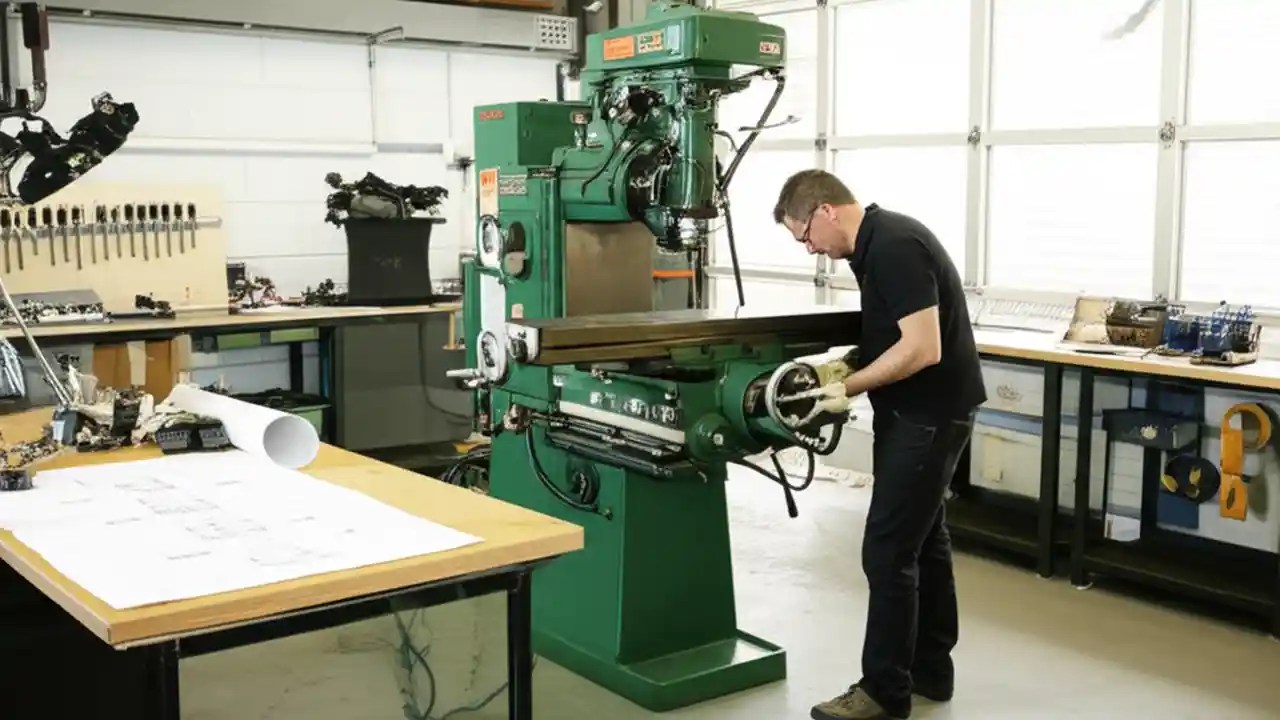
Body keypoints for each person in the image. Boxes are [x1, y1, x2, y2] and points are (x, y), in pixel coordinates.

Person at [772, 169, 987, 720]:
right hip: (921, 411)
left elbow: (922, 349)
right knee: (925, 541)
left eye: (805, 236)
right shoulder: (875, 247)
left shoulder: (893, 247)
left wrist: (846, 388)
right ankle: (931, 671)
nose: (809, 250)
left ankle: (883, 692)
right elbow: (895, 333)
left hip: (928, 415)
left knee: (888, 552)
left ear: (825, 210)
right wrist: (849, 362)